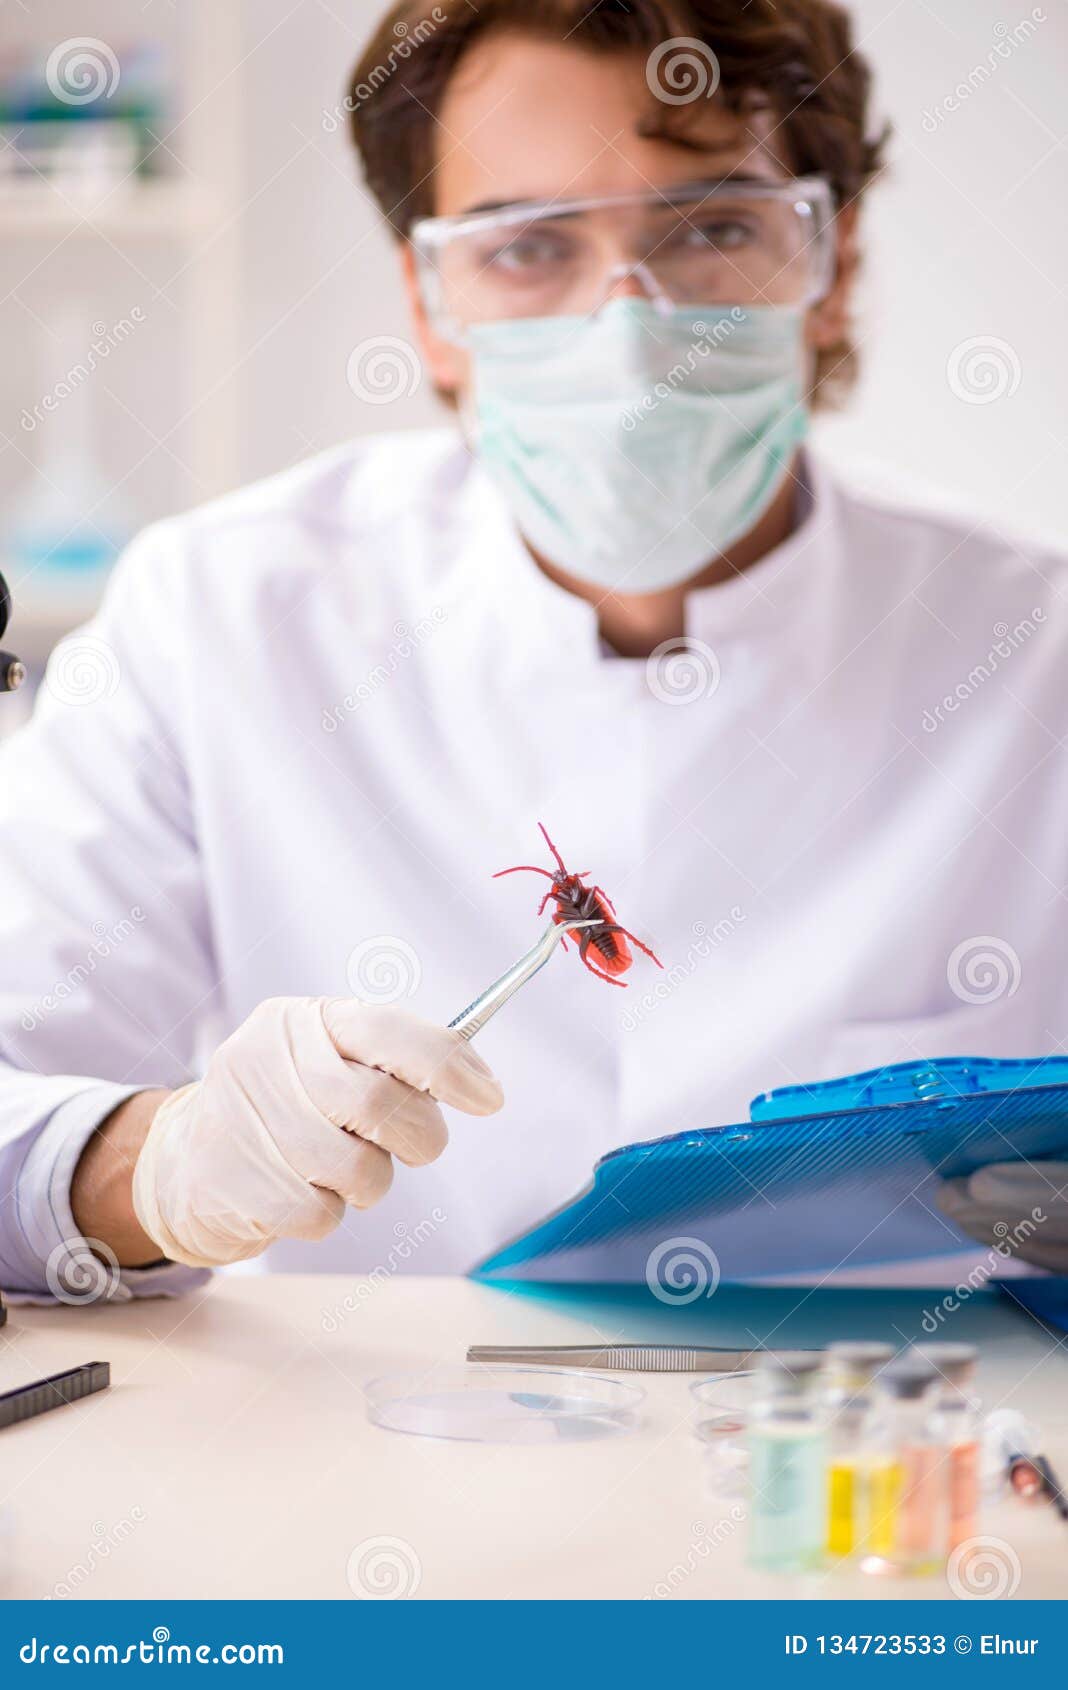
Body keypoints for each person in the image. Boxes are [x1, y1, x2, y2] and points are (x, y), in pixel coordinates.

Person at [1, 0, 1065, 1303]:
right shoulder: (213, 613)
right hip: (350, 1468)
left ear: (832, 266)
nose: (628, 323)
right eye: (527, 246)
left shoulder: (1036, 655)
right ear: (430, 300)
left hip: (883, 1469)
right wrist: (160, 1167)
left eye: (716, 226)